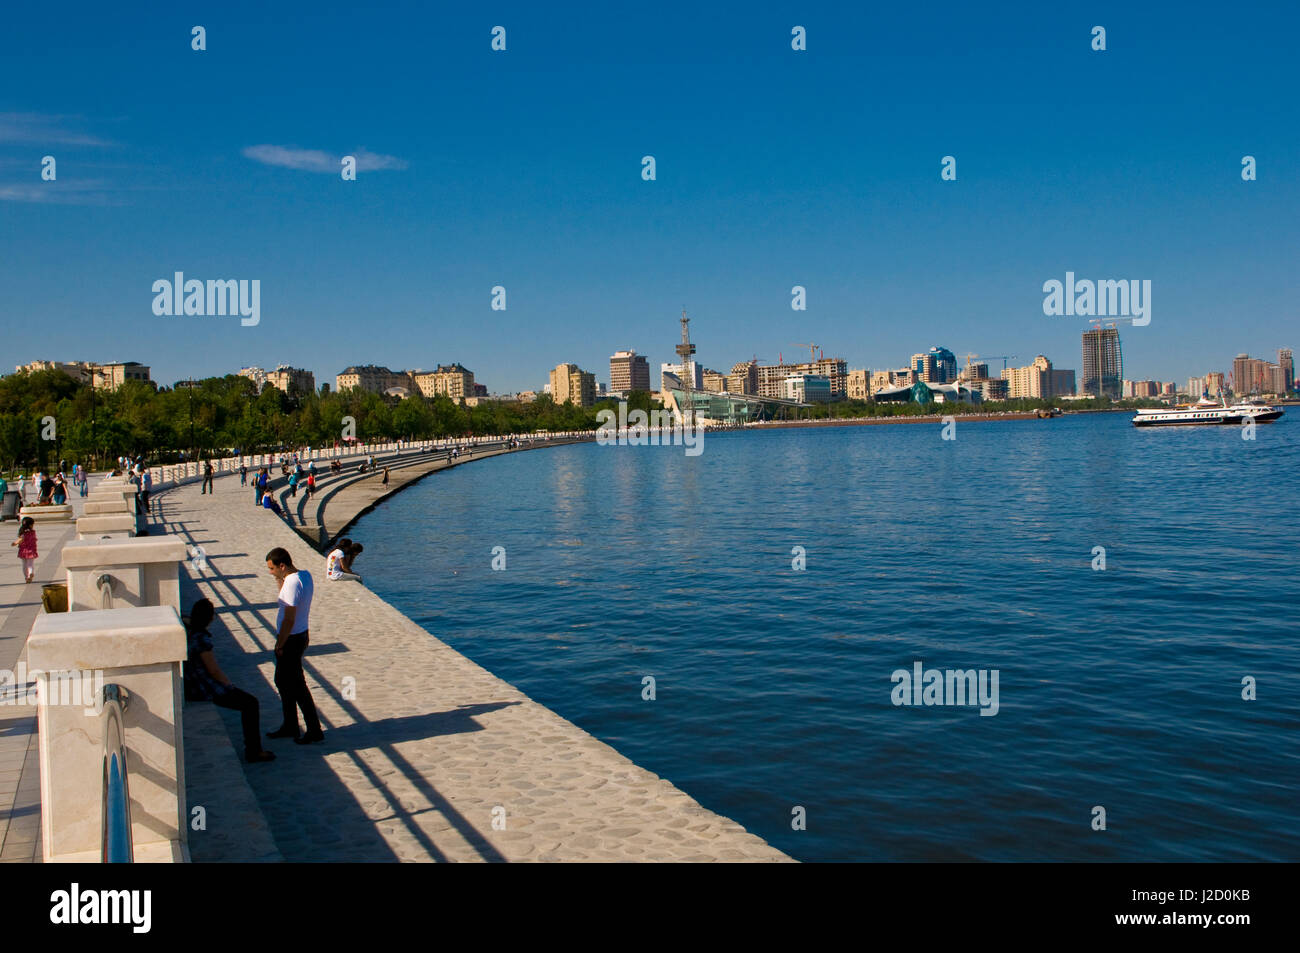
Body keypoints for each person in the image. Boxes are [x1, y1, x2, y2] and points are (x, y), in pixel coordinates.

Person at [183, 598, 276, 764]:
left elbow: (185, 618)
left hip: (193, 684)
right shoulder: (202, 639)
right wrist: (229, 685)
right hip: (204, 687)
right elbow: (214, 671)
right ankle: (254, 751)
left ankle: (254, 749)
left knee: (249, 703)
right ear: (210, 618)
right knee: (250, 704)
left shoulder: (190, 631)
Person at [264, 548, 323, 744]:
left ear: (282, 566)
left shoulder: (291, 584)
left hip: (291, 639)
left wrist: (279, 644)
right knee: (282, 681)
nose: (270, 572)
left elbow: (289, 619)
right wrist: (277, 579)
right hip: (300, 635)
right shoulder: (304, 576)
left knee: (297, 686)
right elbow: (284, 596)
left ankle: (314, 729)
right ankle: (290, 724)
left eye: (272, 569)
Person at [12, 517, 36, 583]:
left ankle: (27, 577)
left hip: (23, 551)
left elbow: (20, 540)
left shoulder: (23, 533)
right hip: (31, 550)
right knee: (30, 564)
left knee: (24, 564)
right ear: (31, 525)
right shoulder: (33, 532)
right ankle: (31, 572)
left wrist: (15, 543)